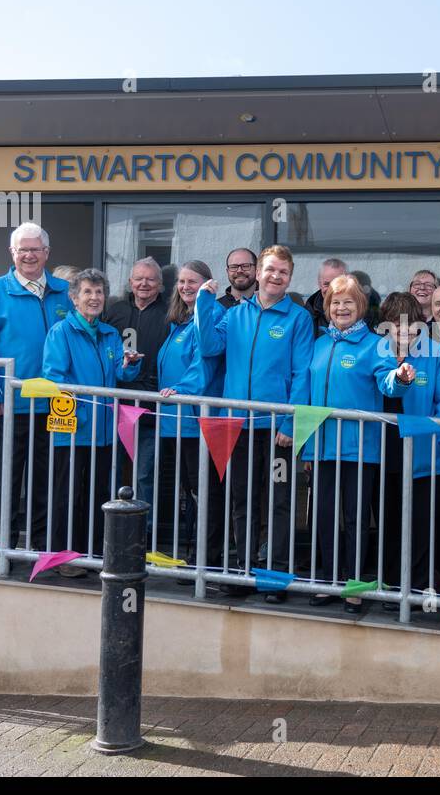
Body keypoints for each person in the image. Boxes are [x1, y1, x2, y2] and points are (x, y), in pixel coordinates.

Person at [195, 245, 314, 600]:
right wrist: (203, 304)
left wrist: (291, 424)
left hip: (277, 428)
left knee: (278, 503)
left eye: (284, 272)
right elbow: (208, 347)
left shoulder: (299, 318)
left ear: (289, 278)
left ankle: (274, 577)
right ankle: (244, 572)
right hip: (237, 425)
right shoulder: (234, 315)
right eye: (271, 270)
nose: (276, 277)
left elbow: (302, 374)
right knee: (242, 500)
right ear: (259, 273)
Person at [301, 276, 414, 611]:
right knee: (322, 516)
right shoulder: (319, 343)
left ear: (361, 307)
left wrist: (401, 377)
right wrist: (305, 442)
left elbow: (387, 383)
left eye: (348, 302)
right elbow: (306, 391)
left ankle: (354, 585)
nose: (341, 308)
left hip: (359, 448)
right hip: (321, 447)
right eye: (336, 302)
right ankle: (327, 579)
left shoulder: (374, 344)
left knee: (354, 519)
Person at [0, 222, 73, 550]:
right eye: (22, 249)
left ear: (47, 253)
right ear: (12, 253)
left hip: (53, 405)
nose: (29, 255)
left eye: (35, 249)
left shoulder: (63, 292)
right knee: (4, 482)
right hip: (8, 406)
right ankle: (3, 549)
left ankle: (43, 549)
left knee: (48, 482)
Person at [42, 269, 142, 568]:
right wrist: (82, 414)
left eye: (99, 292)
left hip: (106, 432)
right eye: (87, 292)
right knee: (67, 497)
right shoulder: (61, 332)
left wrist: (128, 364)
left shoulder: (110, 334)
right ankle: (64, 559)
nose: (94, 298)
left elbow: (119, 377)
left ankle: (95, 556)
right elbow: (53, 378)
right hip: (73, 431)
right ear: (74, 298)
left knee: (99, 495)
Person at [378, 292, 440, 603]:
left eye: (411, 325)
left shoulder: (435, 353)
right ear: (384, 327)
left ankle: (417, 588)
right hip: (384, 454)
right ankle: (389, 587)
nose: (404, 332)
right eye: (396, 326)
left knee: (422, 527)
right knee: (388, 522)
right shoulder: (376, 353)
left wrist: (429, 436)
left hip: (426, 455)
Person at [155, 260, 222, 564]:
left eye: (192, 282)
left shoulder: (210, 315)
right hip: (176, 420)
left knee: (203, 491)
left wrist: (183, 390)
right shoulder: (180, 321)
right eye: (181, 282)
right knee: (190, 491)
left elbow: (204, 364)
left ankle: (204, 556)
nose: (184, 287)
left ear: (207, 284)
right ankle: (192, 552)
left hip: (198, 420)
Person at [103, 257, 168, 515]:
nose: (144, 283)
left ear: (161, 285)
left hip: (152, 407)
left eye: (151, 279)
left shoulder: (169, 314)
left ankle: (145, 534)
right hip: (115, 407)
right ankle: (108, 531)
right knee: (111, 471)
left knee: (145, 474)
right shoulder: (115, 311)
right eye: (139, 278)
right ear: (130, 282)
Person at [305, 258, 349, 334]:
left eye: (338, 283)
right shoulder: (306, 316)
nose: (332, 290)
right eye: (326, 284)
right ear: (319, 284)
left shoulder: (361, 312)